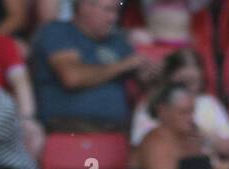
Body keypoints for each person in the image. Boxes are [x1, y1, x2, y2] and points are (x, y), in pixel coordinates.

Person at [29, 0, 160, 133]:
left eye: (116, 11)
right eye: (108, 10)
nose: (113, 18)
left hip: (117, 130)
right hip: (68, 127)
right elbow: (72, 77)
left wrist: (150, 73)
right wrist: (123, 65)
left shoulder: (117, 41)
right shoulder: (57, 31)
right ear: (84, 7)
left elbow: (143, 80)